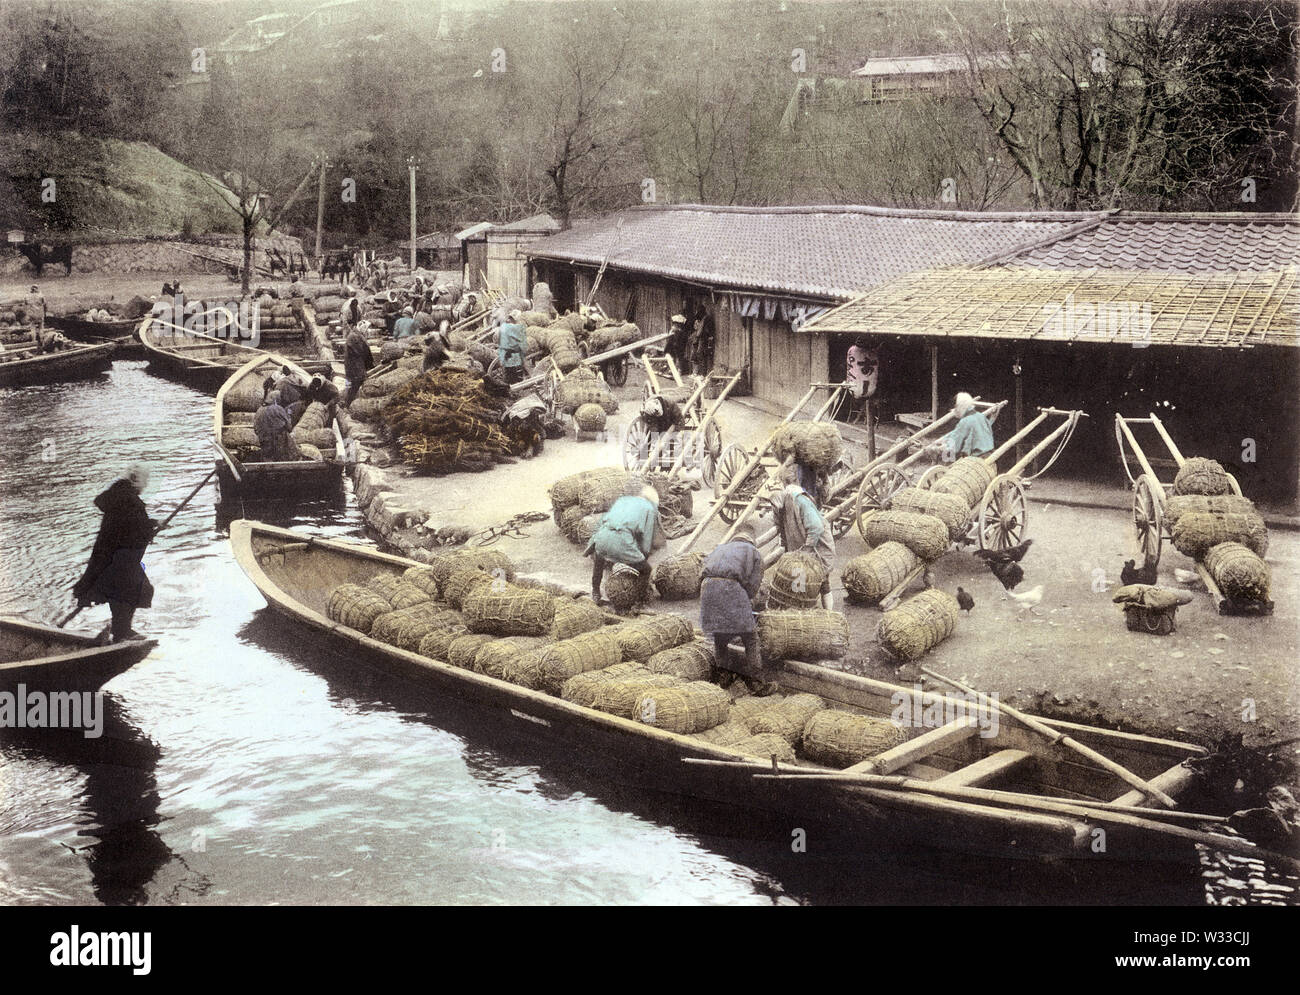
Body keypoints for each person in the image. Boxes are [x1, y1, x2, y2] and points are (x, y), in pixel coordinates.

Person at [72, 465, 156, 643]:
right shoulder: (129, 500)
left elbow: (129, 525)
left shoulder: (118, 495)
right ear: (136, 480)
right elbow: (135, 529)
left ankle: (121, 630)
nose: (146, 485)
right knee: (136, 589)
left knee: (122, 591)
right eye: (145, 481)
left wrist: (151, 525)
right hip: (120, 558)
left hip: (110, 556)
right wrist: (152, 527)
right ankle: (122, 632)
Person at [699, 521, 775, 695]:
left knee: (720, 636)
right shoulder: (753, 552)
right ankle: (757, 683)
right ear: (751, 538)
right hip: (730, 588)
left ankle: (723, 678)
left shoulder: (719, 548)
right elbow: (753, 587)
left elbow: (701, 573)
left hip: (707, 588)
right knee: (750, 637)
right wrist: (746, 603)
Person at [585, 484, 664, 607]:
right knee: (646, 570)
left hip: (602, 536)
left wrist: (595, 543)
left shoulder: (623, 500)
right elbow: (646, 541)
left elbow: (602, 521)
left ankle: (595, 592)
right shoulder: (649, 508)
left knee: (599, 560)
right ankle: (638, 600)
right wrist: (641, 558)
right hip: (621, 539)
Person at [769, 467, 835, 609]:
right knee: (799, 579)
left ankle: (829, 614)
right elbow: (779, 522)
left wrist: (807, 549)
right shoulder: (783, 499)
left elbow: (816, 527)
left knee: (823, 581)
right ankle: (801, 609)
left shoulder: (801, 500)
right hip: (799, 543)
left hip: (818, 546)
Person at [937, 391, 994, 462]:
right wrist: (945, 439)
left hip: (976, 459)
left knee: (946, 457)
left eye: (955, 407)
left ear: (960, 406)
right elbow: (956, 433)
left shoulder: (965, 421)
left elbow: (955, 446)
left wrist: (940, 449)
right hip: (990, 455)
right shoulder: (981, 416)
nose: (954, 411)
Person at [254, 391, 300, 462]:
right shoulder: (278, 409)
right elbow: (289, 428)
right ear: (276, 399)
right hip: (279, 444)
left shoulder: (259, 411)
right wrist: (289, 417)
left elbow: (256, 429)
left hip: (264, 442)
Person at [344, 321, 375, 405]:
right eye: (366, 329)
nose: (367, 331)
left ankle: (348, 403)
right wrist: (371, 364)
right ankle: (348, 404)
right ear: (363, 328)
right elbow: (363, 352)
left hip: (354, 365)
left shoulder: (355, 335)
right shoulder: (355, 337)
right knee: (354, 386)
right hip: (355, 367)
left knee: (353, 386)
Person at [498, 309, 529, 385]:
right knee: (517, 365)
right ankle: (520, 381)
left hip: (504, 350)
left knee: (508, 370)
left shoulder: (504, 326)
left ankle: (510, 382)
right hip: (512, 351)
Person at [687, 306, 714, 376]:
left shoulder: (706, 318)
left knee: (702, 355)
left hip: (704, 339)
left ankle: (703, 374)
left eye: (699, 313)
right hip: (701, 338)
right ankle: (700, 373)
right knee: (699, 355)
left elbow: (706, 330)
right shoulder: (702, 319)